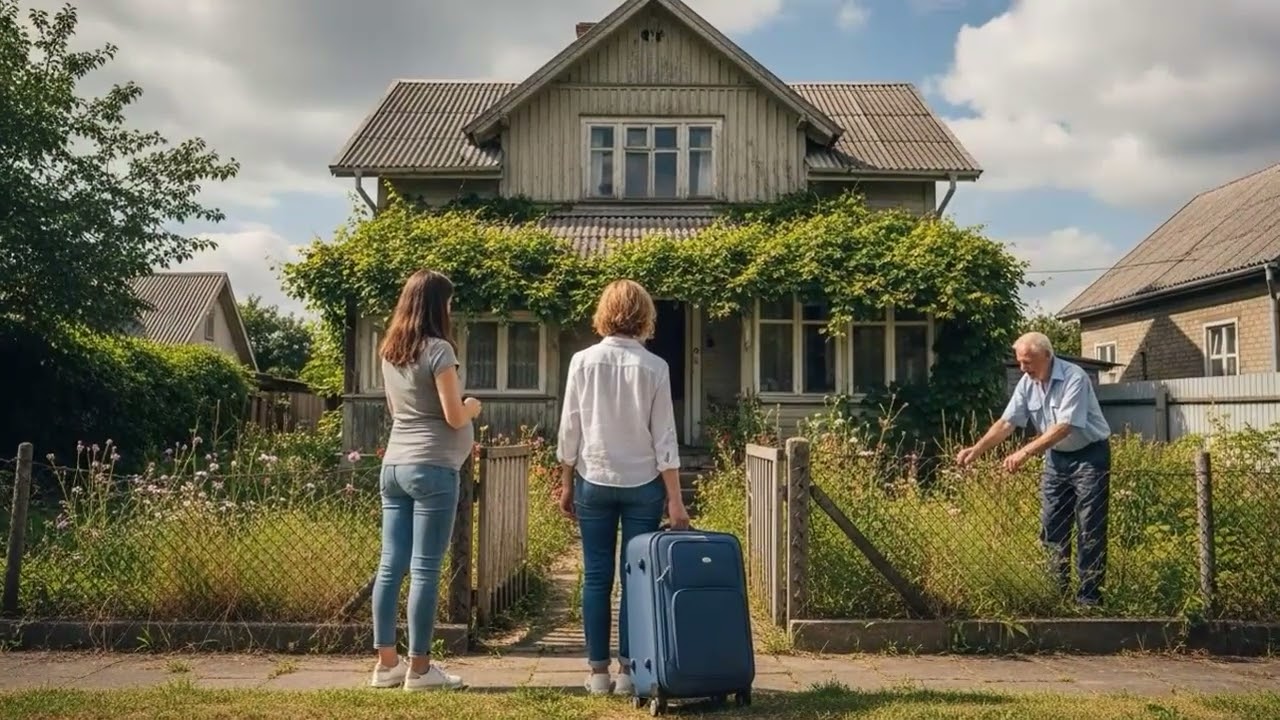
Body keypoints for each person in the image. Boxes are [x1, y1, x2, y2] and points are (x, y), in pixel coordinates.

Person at [555, 279, 691, 696]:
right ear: (644, 317)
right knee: (636, 579)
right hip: (643, 484)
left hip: (593, 479)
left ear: (604, 313)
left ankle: (597, 673)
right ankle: (630, 671)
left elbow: (570, 428)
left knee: (596, 577)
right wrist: (676, 500)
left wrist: (565, 482)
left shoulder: (581, 361)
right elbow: (664, 438)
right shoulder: (655, 367)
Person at [368, 269, 482, 691]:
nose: (451, 309)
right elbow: (453, 415)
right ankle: (419, 669)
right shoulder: (439, 350)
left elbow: (398, 413)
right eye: (449, 302)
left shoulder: (390, 351)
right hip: (432, 469)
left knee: (390, 564)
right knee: (425, 569)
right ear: (438, 305)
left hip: (394, 466)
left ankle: (386, 665)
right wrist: (473, 406)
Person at [956, 331, 1112, 607]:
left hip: (1090, 456)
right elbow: (1007, 423)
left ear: (1048, 356)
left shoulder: (1075, 377)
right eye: (1020, 362)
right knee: (1052, 526)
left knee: (1090, 528)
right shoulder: (1027, 383)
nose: (1023, 368)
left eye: (1028, 362)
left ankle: (1089, 600)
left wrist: (1026, 452)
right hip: (1056, 458)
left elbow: (1066, 426)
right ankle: (1055, 596)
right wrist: (976, 449)